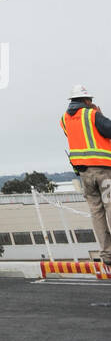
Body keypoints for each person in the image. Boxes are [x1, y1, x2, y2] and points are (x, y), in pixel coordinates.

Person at [61, 85, 111, 267]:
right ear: (86, 100)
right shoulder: (92, 115)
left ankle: (106, 254)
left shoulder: (65, 119)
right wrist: (101, 115)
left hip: (84, 174)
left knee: (96, 212)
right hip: (103, 170)